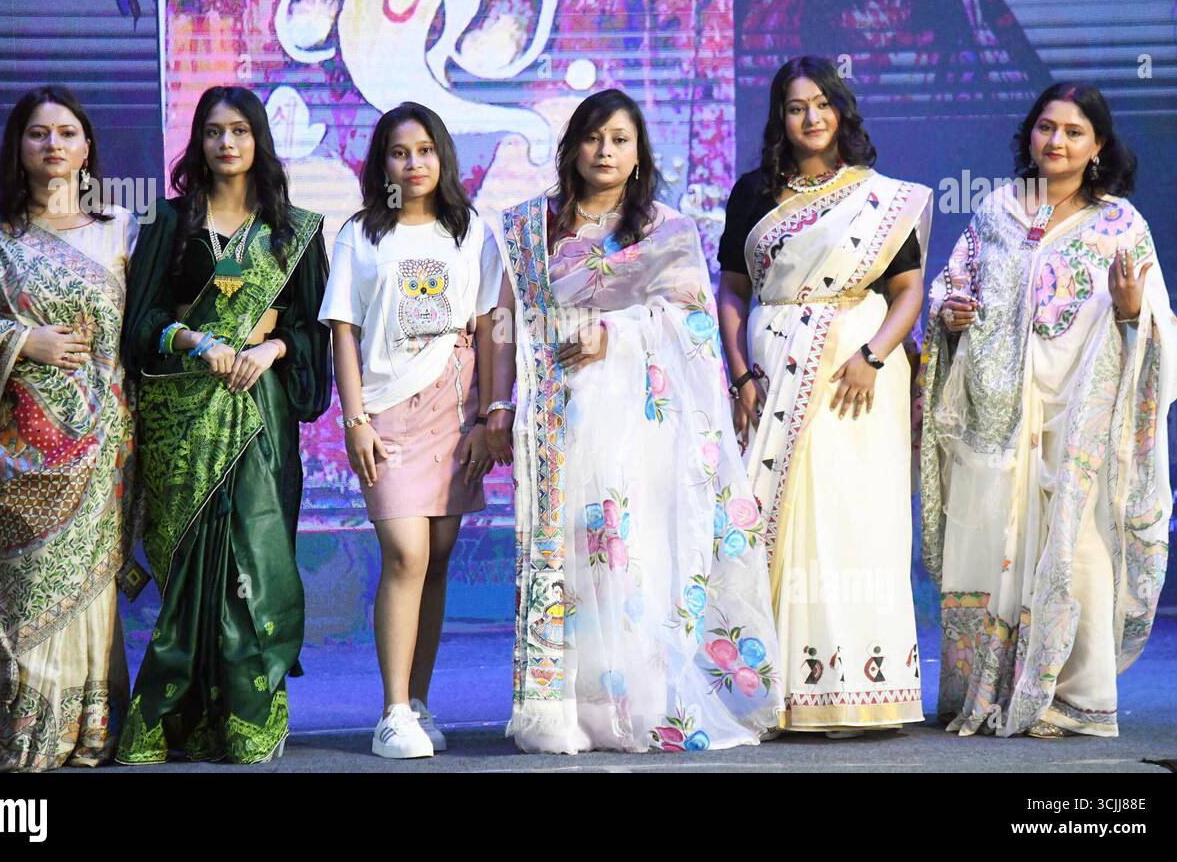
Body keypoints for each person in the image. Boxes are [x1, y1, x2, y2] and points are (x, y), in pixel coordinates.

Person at [487, 88, 784, 754]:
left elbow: (696, 330)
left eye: (620, 139)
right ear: (572, 148)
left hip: (641, 424)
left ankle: (637, 701)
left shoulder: (664, 230)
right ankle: (564, 707)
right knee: (566, 557)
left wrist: (614, 335)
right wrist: (498, 406)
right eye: (593, 137)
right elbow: (501, 325)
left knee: (634, 554)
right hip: (557, 421)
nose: (605, 151)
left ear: (640, 152)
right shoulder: (531, 229)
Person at [919, 82, 1177, 738]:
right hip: (998, 419)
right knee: (989, 549)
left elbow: (1163, 336)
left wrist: (1132, 312)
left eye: (1073, 131)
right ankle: (986, 691)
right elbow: (953, 289)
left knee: (1080, 552)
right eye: (1046, 127)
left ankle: (1070, 695)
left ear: (1098, 145)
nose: (1056, 142)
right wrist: (949, 314)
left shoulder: (1121, 225)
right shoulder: (996, 213)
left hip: (1081, 421)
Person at [0, 85, 137, 770]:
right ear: (18, 147)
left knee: (88, 594)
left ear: (87, 147)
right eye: (38, 133)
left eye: (67, 132)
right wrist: (20, 340)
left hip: (100, 451)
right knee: (15, 598)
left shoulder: (121, 228)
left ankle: (89, 733)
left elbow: (145, 327)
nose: (53, 145)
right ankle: (15, 741)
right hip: (11, 451)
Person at [115, 86, 330, 765]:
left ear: (259, 140)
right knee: (190, 571)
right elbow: (140, 325)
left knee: (251, 562)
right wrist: (196, 341)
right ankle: (174, 715)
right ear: (199, 142)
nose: (227, 143)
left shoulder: (292, 231)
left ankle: (248, 711)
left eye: (239, 130)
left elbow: (307, 331)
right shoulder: (168, 221)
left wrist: (268, 348)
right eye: (213, 131)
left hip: (259, 415)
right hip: (185, 415)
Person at [716, 56, 930, 735]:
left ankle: (860, 687)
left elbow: (908, 292)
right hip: (773, 364)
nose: (811, 118)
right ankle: (767, 688)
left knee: (851, 516)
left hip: (856, 377)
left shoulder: (880, 198)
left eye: (823, 104)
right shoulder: (754, 192)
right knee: (767, 519)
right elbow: (731, 290)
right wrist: (743, 372)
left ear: (843, 112)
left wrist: (873, 354)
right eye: (796, 106)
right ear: (780, 117)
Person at [322, 102, 502, 759]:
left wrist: (489, 414)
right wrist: (354, 420)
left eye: (425, 149)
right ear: (382, 163)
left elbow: (489, 329)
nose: (414, 162)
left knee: (437, 560)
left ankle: (418, 700)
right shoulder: (360, 234)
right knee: (406, 554)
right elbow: (343, 328)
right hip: (386, 415)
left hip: (454, 413)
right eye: (400, 152)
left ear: (442, 156)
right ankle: (391, 711)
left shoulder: (470, 231)